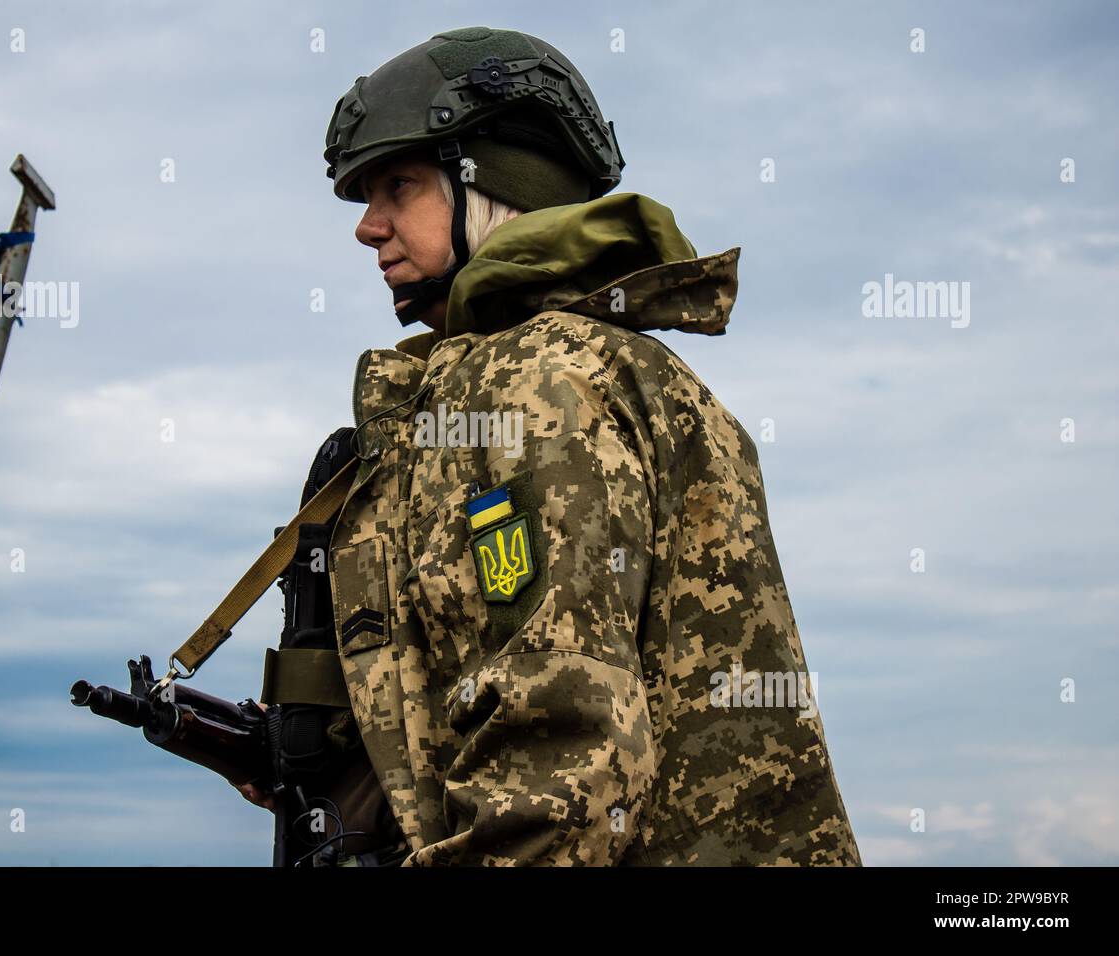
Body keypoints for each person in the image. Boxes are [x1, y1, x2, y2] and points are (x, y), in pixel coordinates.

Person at [239, 26, 863, 866]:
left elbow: (562, 773)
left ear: (492, 185)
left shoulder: (528, 381)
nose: (368, 226)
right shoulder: (627, 368)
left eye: (399, 186)